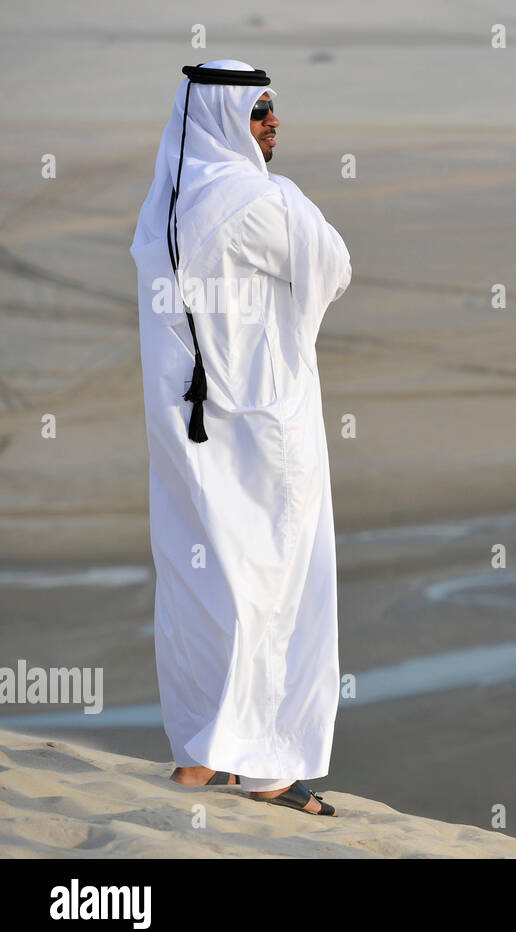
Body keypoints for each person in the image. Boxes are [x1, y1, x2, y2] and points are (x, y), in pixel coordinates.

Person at [129, 60, 352, 816]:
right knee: (273, 585)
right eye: (258, 111)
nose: (273, 121)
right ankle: (268, 771)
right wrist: (290, 204)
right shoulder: (259, 200)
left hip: (186, 433)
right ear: (226, 119)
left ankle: (202, 756)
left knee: (200, 584)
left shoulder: (166, 203)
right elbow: (334, 266)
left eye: (272, 108)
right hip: (264, 430)